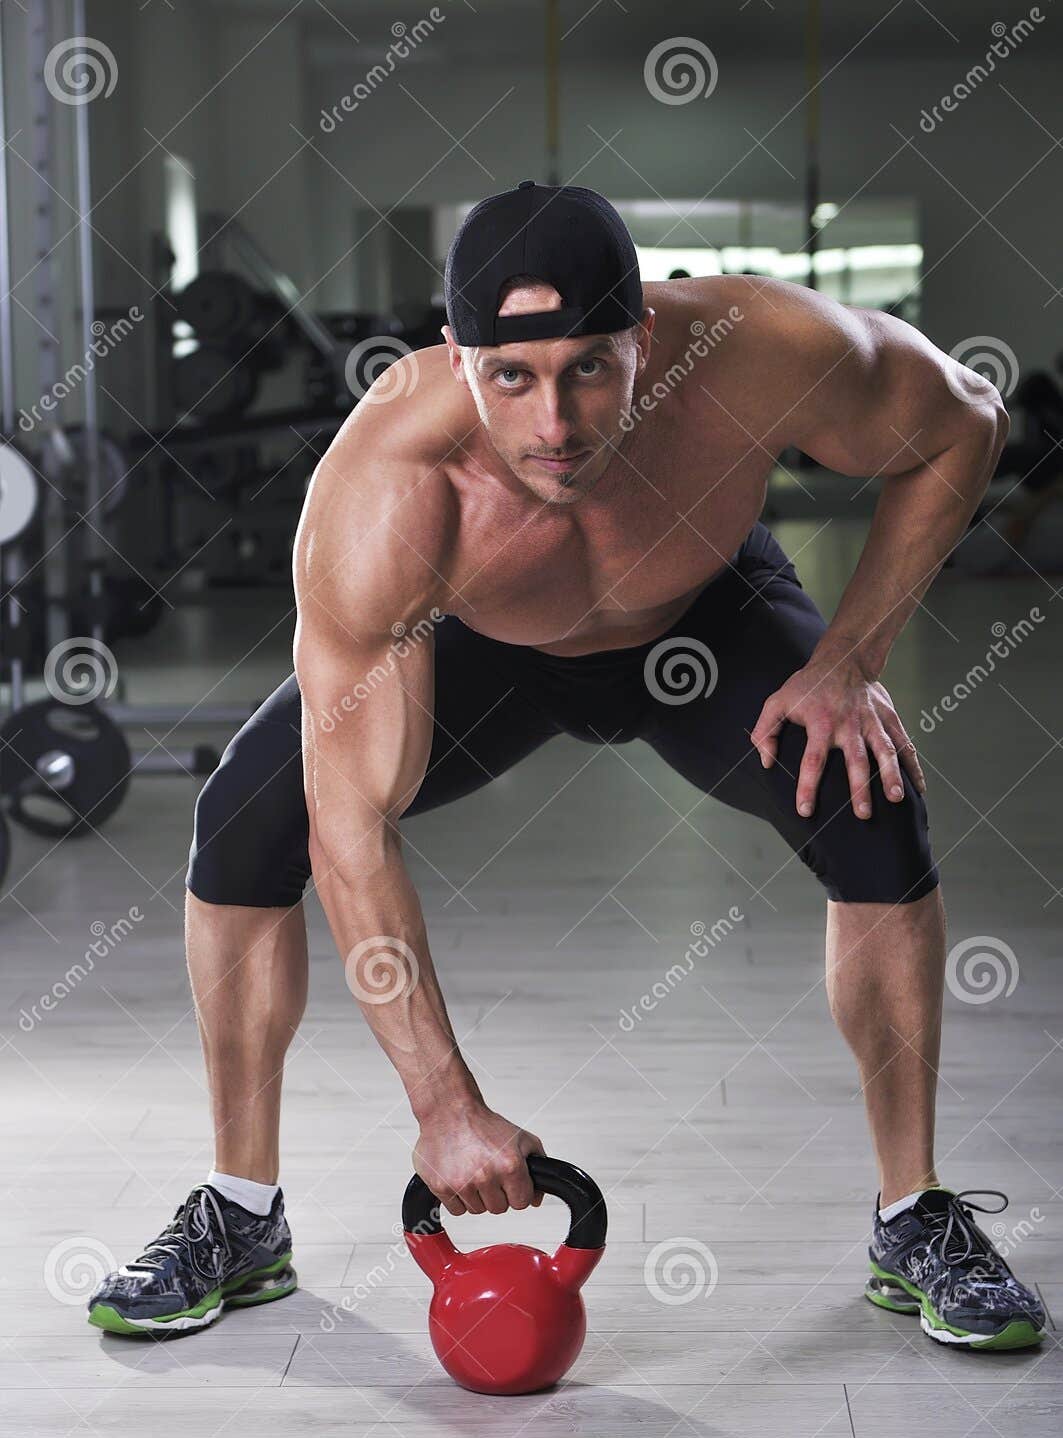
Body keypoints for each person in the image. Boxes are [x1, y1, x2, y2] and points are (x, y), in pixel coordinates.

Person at [89, 182, 1043, 1351]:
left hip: (703, 616)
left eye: (590, 367)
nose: (554, 422)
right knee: (248, 820)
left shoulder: (757, 351)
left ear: (644, 333)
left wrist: (849, 660)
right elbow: (353, 830)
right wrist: (444, 1106)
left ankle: (914, 1213)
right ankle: (242, 1210)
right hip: (486, 646)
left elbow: (964, 422)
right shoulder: (390, 484)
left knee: (866, 796)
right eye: (510, 377)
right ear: (457, 357)